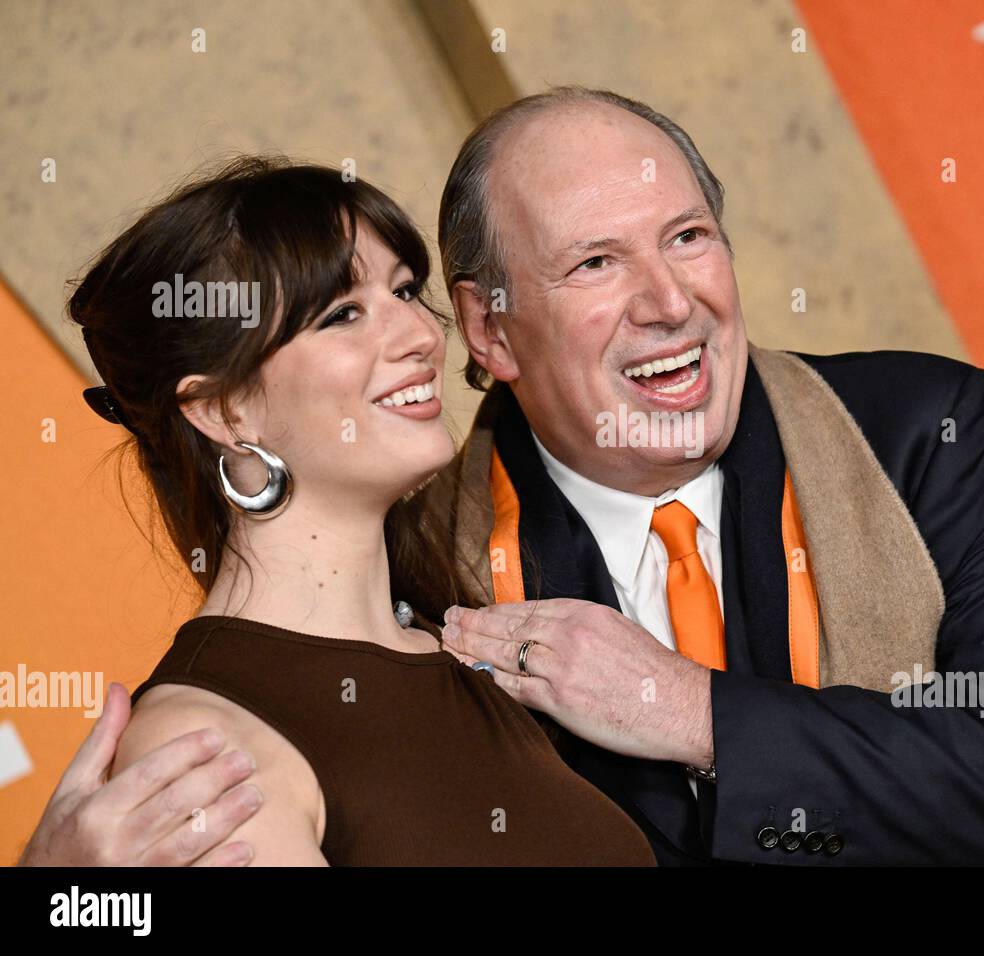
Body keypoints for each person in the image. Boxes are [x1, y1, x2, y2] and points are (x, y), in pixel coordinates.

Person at [425, 86, 984, 865]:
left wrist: (698, 716)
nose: (669, 301)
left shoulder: (923, 430)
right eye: (596, 262)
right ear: (490, 327)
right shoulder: (418, 561)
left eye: (688, 237)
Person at [19, 156, 654, 866]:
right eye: (343, 314)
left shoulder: (480, 646)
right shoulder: (201, 753)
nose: (420, 336)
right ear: (225, 409)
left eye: (406, 291)